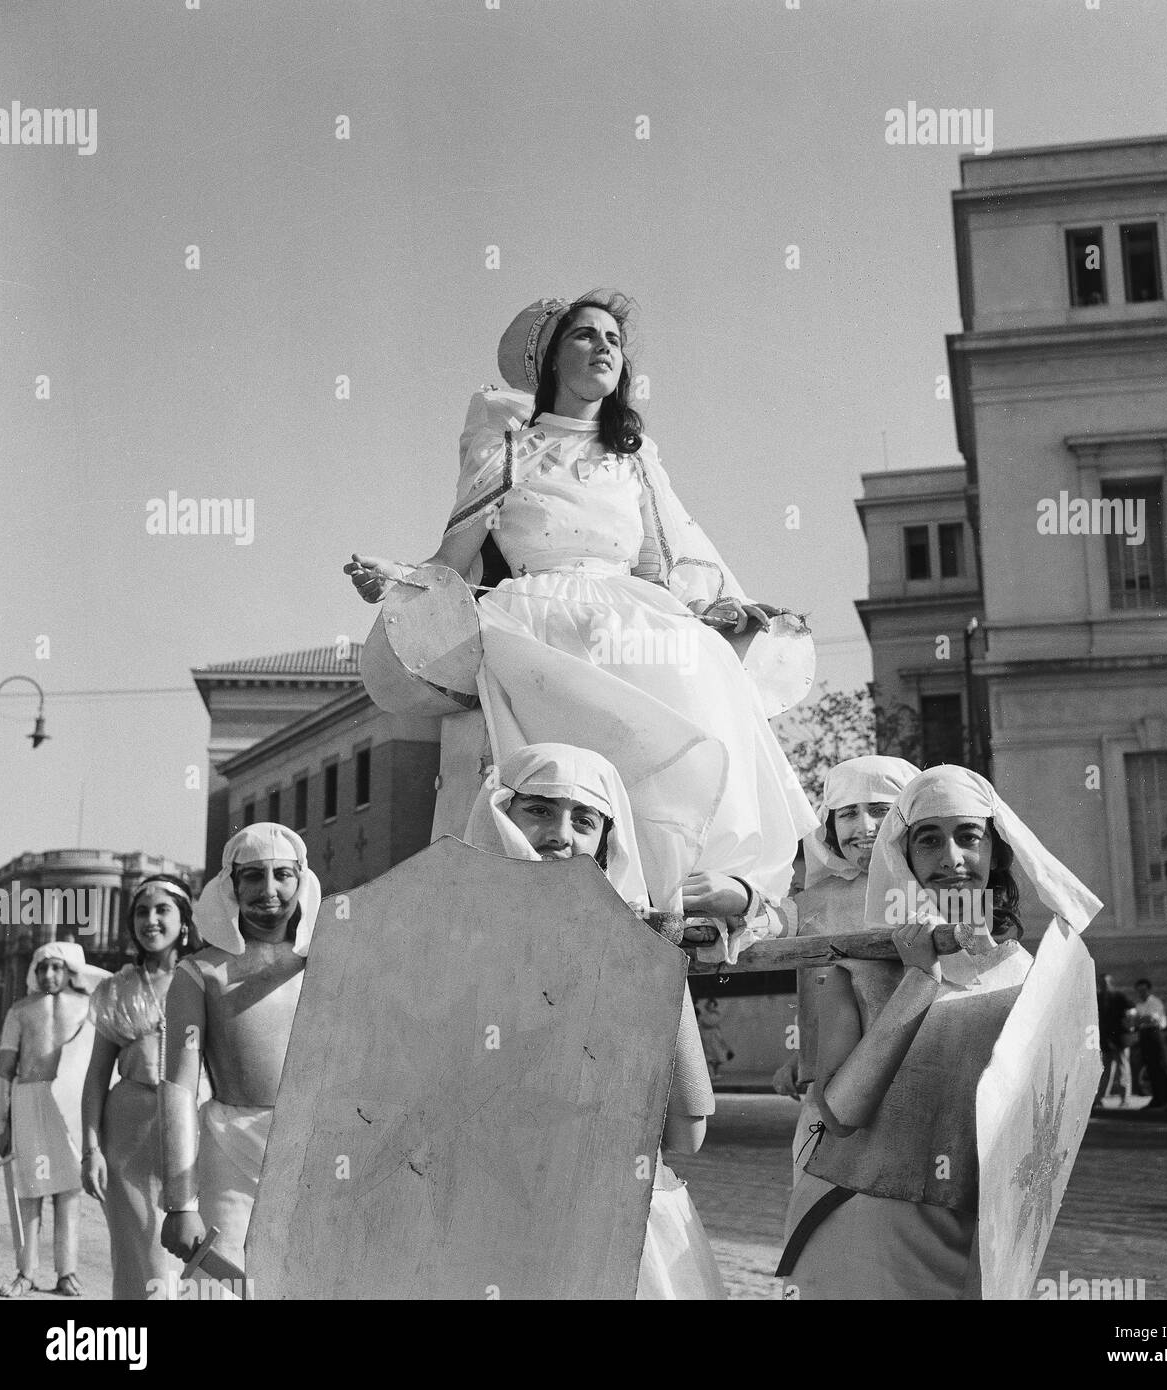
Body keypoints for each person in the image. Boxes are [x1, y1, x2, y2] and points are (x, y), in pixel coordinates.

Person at [346, 291, 818, 939]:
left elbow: (665, 563)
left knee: (698, 672)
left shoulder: (634, 458)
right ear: (549, 358)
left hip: (632, 612)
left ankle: (684, 886)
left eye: (613, 341)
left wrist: (721, 610)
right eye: (585, 337)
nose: (603, 348)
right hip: (536, 620)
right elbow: (454, 555)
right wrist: (400, 581)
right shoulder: (509, 446)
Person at [776, 764, 1100, 1300]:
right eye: (929, 841)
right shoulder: (857, 967)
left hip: (978, 1234)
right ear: (904, 857)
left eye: (969, 837)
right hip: (864, 1222)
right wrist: (919, 978)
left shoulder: (1032, 977)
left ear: (997, 851)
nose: (952, 859)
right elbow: (838, 1115)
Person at [463, 742, 725, 1300]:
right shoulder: (444, 948)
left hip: (624, 1228)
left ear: (607, 842)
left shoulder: (641, 955)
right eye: (538, 810)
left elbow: (687, 1132)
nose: (561, 835)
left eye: (584, 819)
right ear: (497, 813)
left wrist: (658, 971)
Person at [158, 824, 322, 1282]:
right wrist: (180, 1203)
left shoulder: (330, 961)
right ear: (231, 885)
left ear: (300, 880)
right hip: (228, 1152)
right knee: (225, 1286)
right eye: (252, 876)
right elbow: (179, 1088)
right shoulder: (199, 973)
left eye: (282, 875)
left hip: (314, 1150)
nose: (268, 890)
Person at [769, 756, 919, 1181]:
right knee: (819, 1218)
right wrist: (803, 1058)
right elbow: (768, 918)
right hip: (828, 1098)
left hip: (918, 1089)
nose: (865, 826)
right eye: (848, 812)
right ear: (829, 824)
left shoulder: (944, 894)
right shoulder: (816, 900)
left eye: (880, 810)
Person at [80, 875, 198, 1300]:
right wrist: (91, 1149)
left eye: (162, 910)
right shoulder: (117, 989)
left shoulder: (203, 979)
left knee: (196, 1254)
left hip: (191, 1130)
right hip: (127, 1136)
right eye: (142, 912)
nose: (151, 920)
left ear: (184, 921)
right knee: (139, 1253)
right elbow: (95, 1077)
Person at [0, 942, 109, 1297]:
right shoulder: (20, 1010)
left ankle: (67, 1272)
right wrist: (1, 1122)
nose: (49, 975)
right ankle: (26, 1271)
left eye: (58, 967)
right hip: (29, 1101)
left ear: (71, 970)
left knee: (69, 1191)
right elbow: (4, 1070)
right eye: (43, 968)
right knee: (30, 1190)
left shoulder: (87, 1008)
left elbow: (98, 1062)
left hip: (69, 1104)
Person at [1093, 973, 1133, 1109]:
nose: (1103, 985)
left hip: (1120, 1037)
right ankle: (1100, 1098)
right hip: (1106, 1037)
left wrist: (1129, 1022)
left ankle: (1125, 1099)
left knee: (1122, 1068)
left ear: (1110, 983)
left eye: (1105, 983)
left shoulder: (1118, 996)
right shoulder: (1097, 997)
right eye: (1100, 983)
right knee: (1106, 1069)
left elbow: (1131, 1009)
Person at [1132, 979, 1167, 1109]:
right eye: (1139, 991)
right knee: (1150, 1067)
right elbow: (1135, 1021)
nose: (1141, 993)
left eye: (1144, 990)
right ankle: (1157, 1099)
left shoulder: (1155, 1002)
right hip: (1144, 1035)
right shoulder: (1139, 1005)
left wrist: (1140, 1019)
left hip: (1155, 1033)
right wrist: (1140, 1020)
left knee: (1161, 1066)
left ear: (1149, 990)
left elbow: (1151, 1018)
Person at [697, 999, 734, 1082]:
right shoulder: (703, 1016)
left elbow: (716, 1025)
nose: (711, 1007)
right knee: (710, 1058)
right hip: (707, 1038)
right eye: (710, 1005)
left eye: (713, 1005)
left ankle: (715, 1073)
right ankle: (712, 1074)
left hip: (715, 1038)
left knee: (718, 1057)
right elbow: (708, 1024)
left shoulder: (715, 1015)